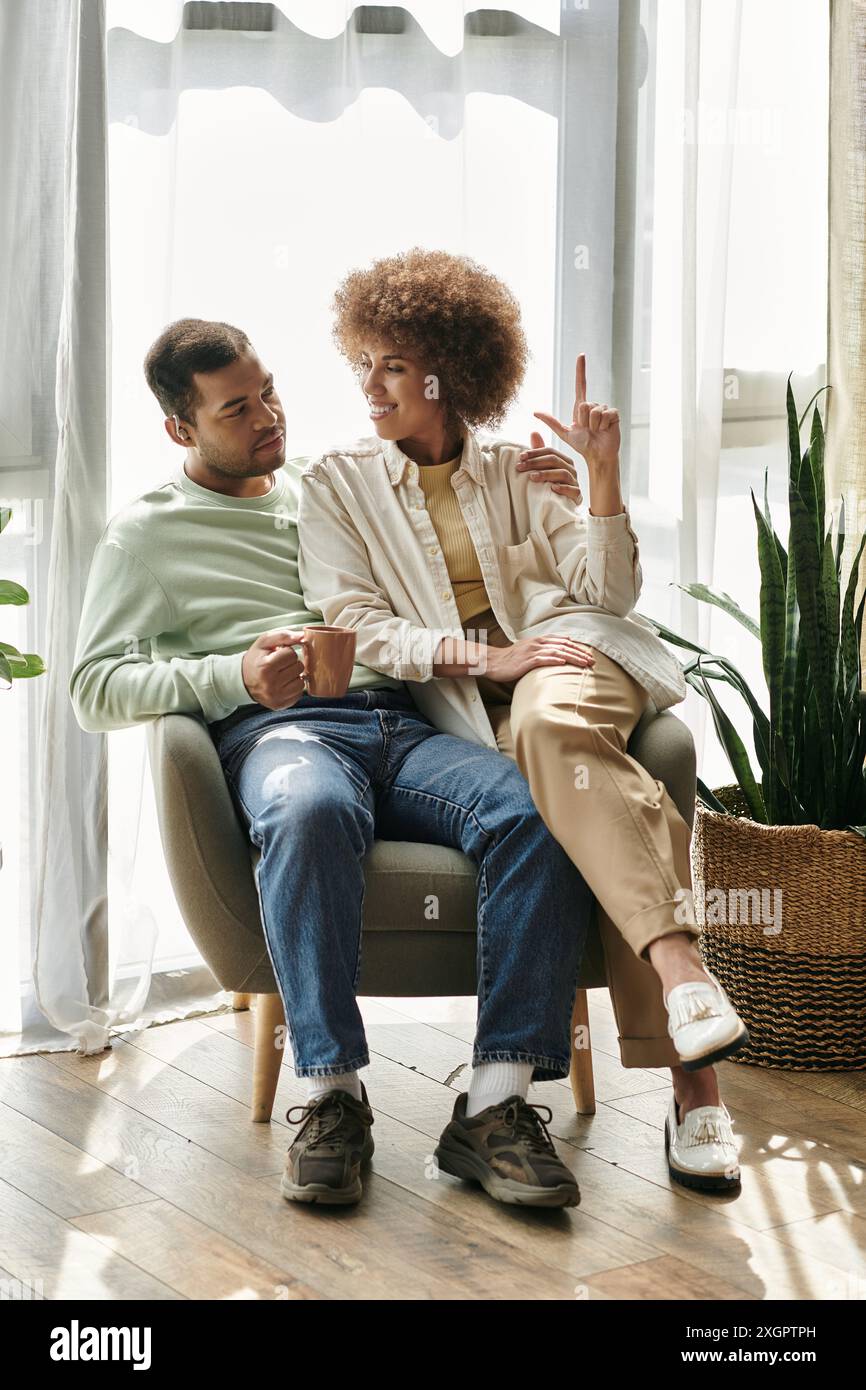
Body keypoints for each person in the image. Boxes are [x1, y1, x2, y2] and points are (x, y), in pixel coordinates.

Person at [69, 317, 598, 1211]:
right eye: (238, 407)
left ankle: (498, 1104)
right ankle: (332, 1097)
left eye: (270, 389)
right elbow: (92, 687)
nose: (270, 415)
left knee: (533, 812)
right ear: (180, 429)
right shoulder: (145, 538)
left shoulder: (333, 486)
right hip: (283, 737)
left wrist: (553, 487)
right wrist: (232, 674)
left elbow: (453, 503)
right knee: (308, 812)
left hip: (403, 725)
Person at [296, 248, 747, 1192]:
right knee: (591, 797)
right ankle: (692, 1056)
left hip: (575, 655)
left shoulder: (519, 470)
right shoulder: (337, 483)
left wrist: (604, 479)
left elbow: (607, 591)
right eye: (363, 364)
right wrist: (481, 657)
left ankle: (685, 1028)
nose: (369, 385)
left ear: (447, 373)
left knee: (552, 726)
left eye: (390, 365)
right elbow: (353, 623)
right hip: (472, 703)